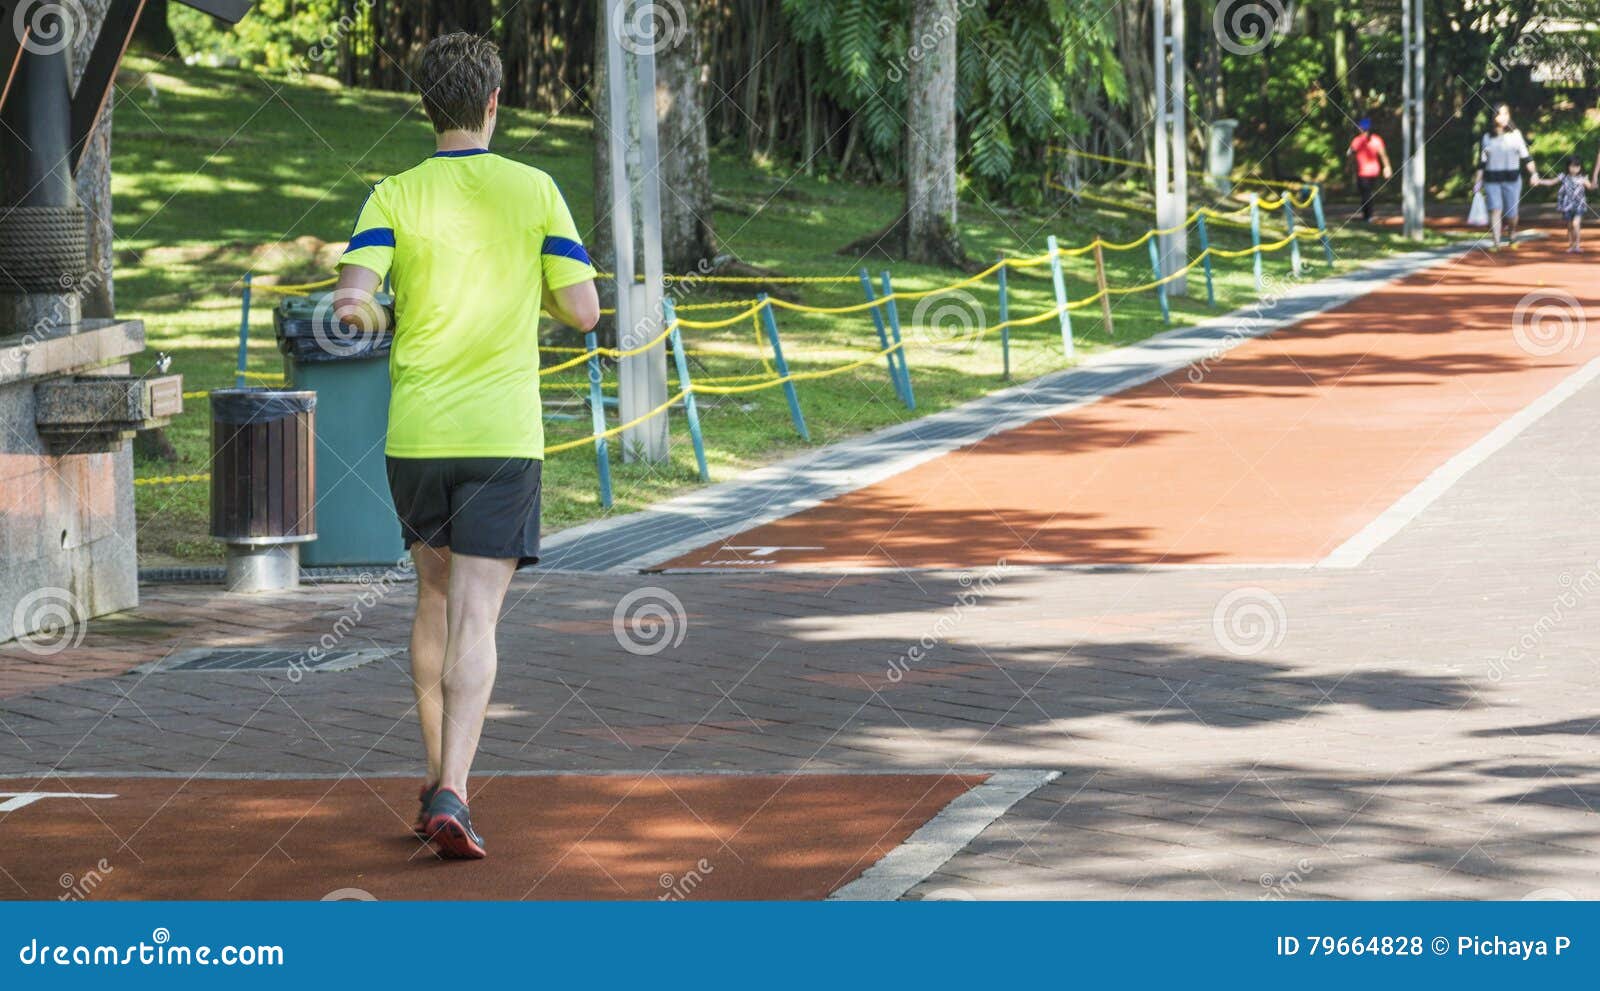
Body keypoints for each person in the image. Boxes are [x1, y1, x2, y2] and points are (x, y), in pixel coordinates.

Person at [332, 32, 600, 859]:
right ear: (493, 102)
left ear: (424, 107)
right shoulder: (537, 190)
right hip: (501, 434)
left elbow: (351, 305)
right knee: (478, 615)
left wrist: (385, 311)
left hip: (418, 435)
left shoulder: (392, 194)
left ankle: (435, 781)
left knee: (433, 602)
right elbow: (585, 310)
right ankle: (455, 788)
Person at [1473, 103, 1537, 250]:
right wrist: (1477, 182)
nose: (1503, 117)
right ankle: (1496, 242)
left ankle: (1512, 234)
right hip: (1492, 180)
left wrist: (1534, 174)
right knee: (1495, 209)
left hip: (1512, 179)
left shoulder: (1516, 135)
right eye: (1500, 114)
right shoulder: (1487, 138)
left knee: (1512, 213)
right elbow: (1481, 163)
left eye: (1506, 114)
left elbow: (1527, 157)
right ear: (1494, 117)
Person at [1533, 155, 1594, 253]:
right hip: (1567, 205)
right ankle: (1571, 245)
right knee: (1569, 225)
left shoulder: (1583, 178)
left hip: (1579, 205)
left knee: (1576, 224)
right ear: (1568, 167)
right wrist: (1540, 181)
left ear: (1580, 167)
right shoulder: (1563, 176)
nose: (1574, 169)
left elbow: (1591, 187)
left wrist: (1594, 183)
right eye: (1572, 166)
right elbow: (1551, 182)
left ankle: (1577, 245)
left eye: (1577, 166)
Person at [1345, 117, 1392, 222]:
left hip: (1364, 172)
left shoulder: (1357, 140)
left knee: (1365, 194)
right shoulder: (1376, 139)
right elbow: (1383, 155)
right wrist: (1387, 167)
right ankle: (1367, 215)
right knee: (1367, 193)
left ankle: (1368, 216)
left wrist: (1348, 167)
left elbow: (1351, 156)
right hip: (1374, 171)